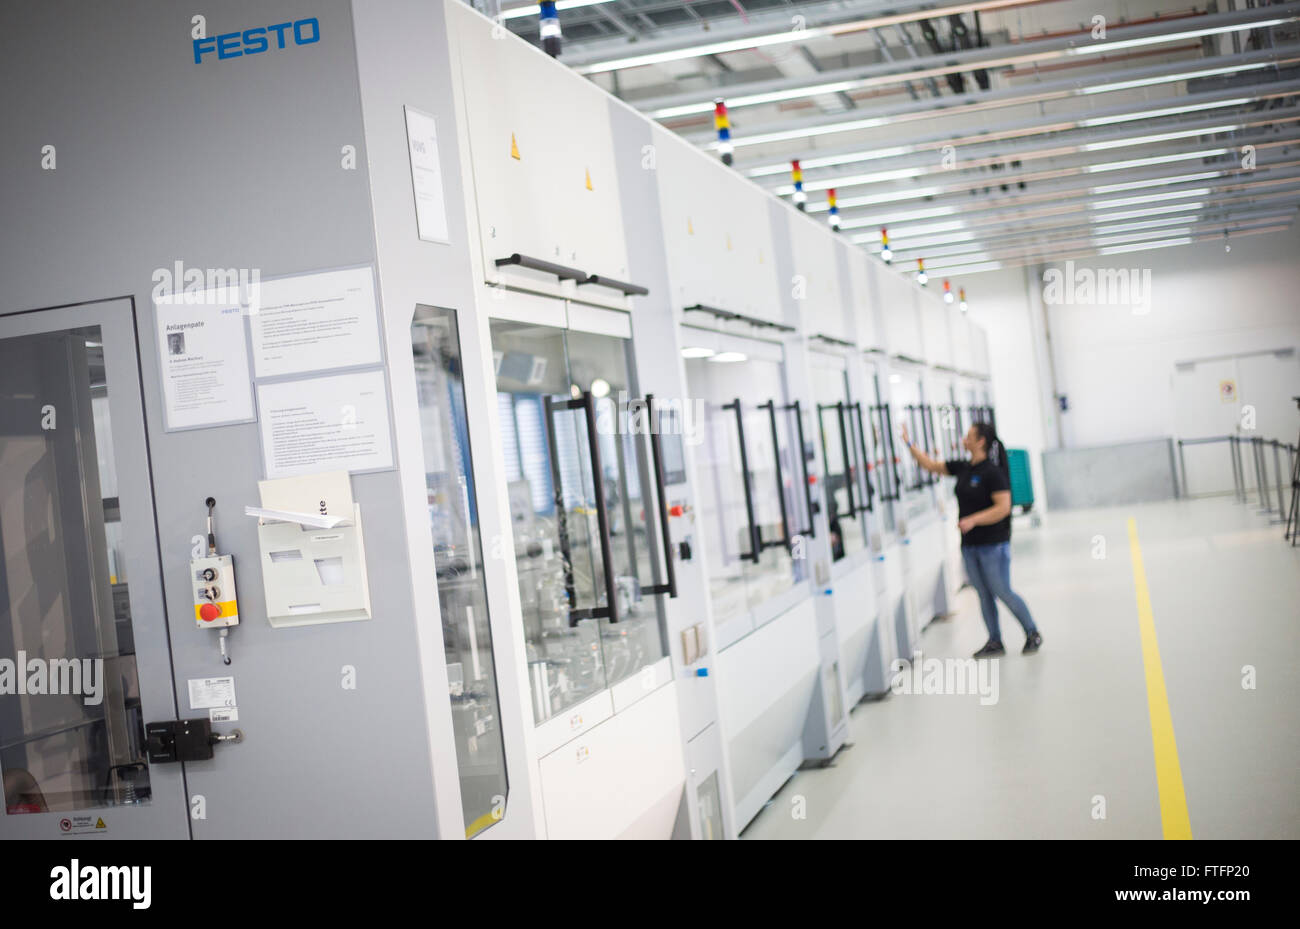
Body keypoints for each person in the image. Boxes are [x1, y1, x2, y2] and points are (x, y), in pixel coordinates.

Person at [900, 420, 1042, 658]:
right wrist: (908, 443)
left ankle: (1032, 632)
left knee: (1002, 590)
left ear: (981, 441)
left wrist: (974, 519)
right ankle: (995, 641)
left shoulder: (992, 473)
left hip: (993, 544)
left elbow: (1003, 507)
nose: (964, 440)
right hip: (970, 546)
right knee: (983, 594)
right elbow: (931, 466)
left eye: (968, 436)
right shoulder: (964, 468)